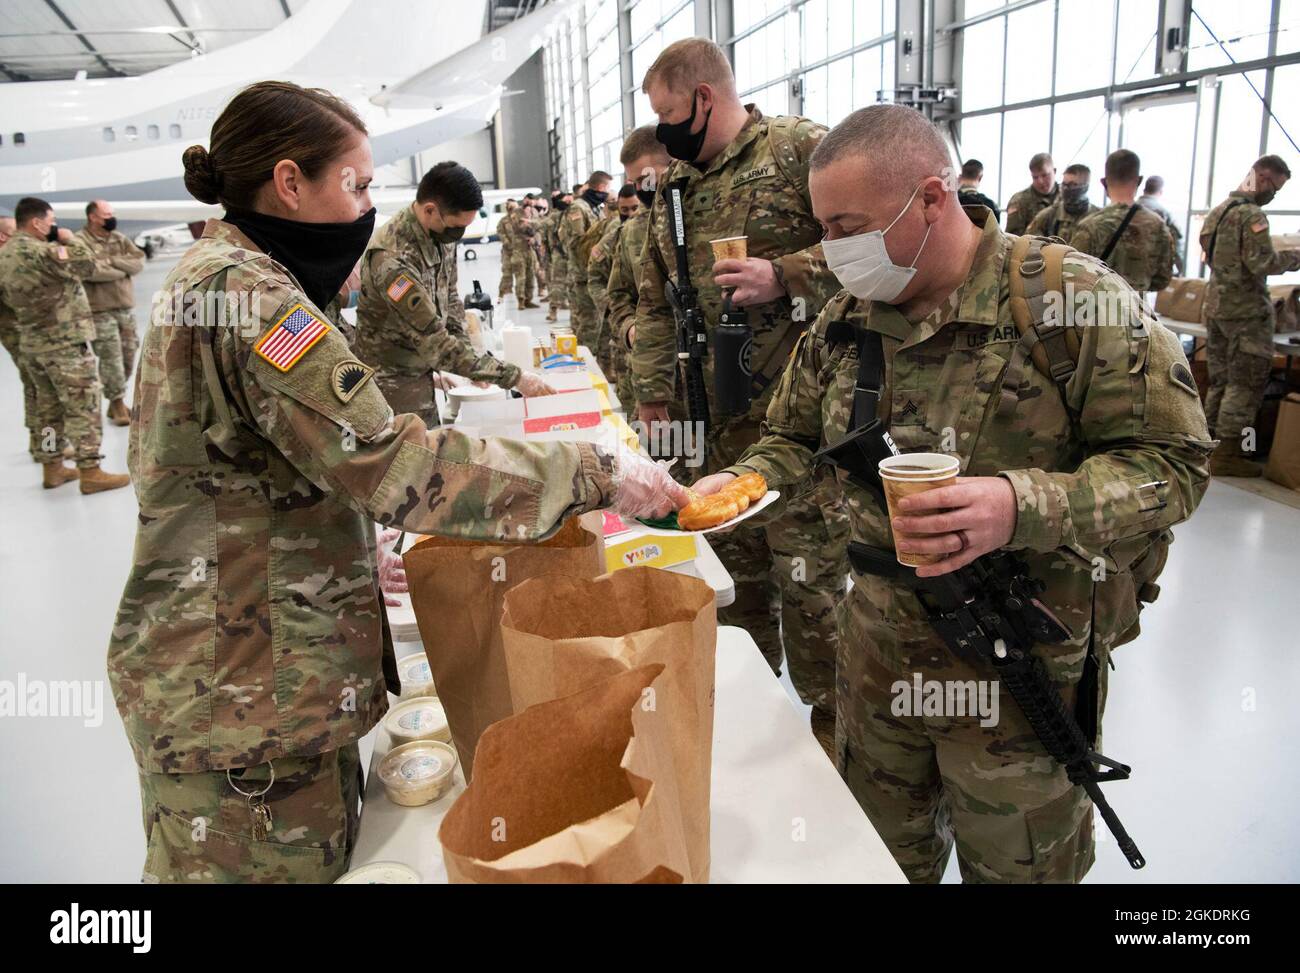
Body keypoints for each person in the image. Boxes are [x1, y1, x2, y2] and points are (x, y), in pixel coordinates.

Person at [111, 80, 687, 884]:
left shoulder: (216, 275)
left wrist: (336, 542)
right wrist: (598, 472)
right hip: (244, 705)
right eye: (354, 183)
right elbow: (400, 465)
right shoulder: (255, 299)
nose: (365, 205)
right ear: (288, 183)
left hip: (235, 668)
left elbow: (248, 471)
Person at [692, 105, 1212, 883]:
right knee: (874, 860)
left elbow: (1174, 463)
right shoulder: (846, 317)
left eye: (847, 226)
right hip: (874, 658)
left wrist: (1017, 504)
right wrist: (745, 479)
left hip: (1016, 668)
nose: (829, 249)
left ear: (933, 199)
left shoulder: (1067, 304)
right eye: (823, 227)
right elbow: (791, 434)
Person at [631, 38, 850, 754]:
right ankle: (753, 748)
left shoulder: (799, 152)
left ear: (703, 98)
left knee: (815, 602)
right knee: (733, 596)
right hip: (714, 427)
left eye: (667, 113)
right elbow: (658, 299)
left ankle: (842, 768)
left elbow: (879, 249)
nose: (662, 131)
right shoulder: (674, 189)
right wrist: (654, 392)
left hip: (804, 433)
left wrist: (784, 274)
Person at [355, 161, 554, 427]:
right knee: (408, 455)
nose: (458, 235)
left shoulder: (439, 235)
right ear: (430, 210)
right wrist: (515, 377)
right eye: (456, 228)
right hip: (391, 380)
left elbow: (449, 298)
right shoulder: (393, 259)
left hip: (421, 368)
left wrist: (471, 358)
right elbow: (434, 342)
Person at [0, 197, 131, 493]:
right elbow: (85, 264)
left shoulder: (5, 255)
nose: (54, 225)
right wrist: (70, 239)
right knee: (83, 408)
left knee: (48, 411)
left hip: (32, 345)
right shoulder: (43, 252)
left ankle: (53, 465)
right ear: (36, 223)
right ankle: (91, 470)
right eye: (51, 220)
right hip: (64, 345)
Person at [1200, 155, 1300, 476]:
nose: (1274, 194)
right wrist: (1295, 258)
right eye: (1276, 187)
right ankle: (1234, 453)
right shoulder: (1252, 215)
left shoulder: (1218, 212)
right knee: (1247, 387)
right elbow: (1262, 263)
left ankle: (1207, 446)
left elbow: (1208, 252)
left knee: (1220, 382)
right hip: (1247, 314)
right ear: (1264, 177)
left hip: (1216, 307)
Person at [608, 126, 673, 413]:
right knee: (661, 456)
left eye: (645, 178)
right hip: (657, 383)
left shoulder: (712, 216)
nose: (640, 189)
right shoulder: (633, 232)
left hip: (722, 381)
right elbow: (618, 295)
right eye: (634, 181)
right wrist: (629, 328)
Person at [77, 200, 145, 427]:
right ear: (93, 217)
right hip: (99, 310)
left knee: (128, 355)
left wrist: (112, 262)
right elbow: (90, 270)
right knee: (111, 358)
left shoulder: (119, 238)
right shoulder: (80, 241)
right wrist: (121, 270)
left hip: (125, 308)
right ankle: (117, 403)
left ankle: (116, 399)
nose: (111, 218)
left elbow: (137, 263)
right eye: (106, 214)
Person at [1071, 149, 1175, 295]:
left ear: (1104, 182)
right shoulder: (1158, 226)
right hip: (1136, 312)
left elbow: (1072, 279)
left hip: (1096, 314)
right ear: (1139, 181)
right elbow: (1163, 279)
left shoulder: (1089, 226)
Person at [0, 214, 45, 464]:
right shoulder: (6, 261)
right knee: (42, 392)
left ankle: (40, 444)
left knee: (35, 388)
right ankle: (45, 447)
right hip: (19, 333)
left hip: (22, 332)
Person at [587, 184, 640, 383]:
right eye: (624, 210)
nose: (631, 214)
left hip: (654, 321)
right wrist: (611, 305)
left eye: (635, 208)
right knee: (626, 386)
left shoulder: (657, 232)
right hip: (623, 321)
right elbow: (594, 279)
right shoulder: (610, 240)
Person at [560, 169, 613, 351]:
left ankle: (603, 366)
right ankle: (584, 365)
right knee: (589, 325)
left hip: (595, 273)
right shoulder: (578, 208)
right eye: (608, 188)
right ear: (601, 187)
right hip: (583, 274)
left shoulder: (593, 208)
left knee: (602, 324)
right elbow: (576, 242)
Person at [1024, 163, 1098, 244]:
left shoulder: (1096, 217)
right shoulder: (1049, 215)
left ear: (1085, 187)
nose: (1066, 188)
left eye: (1072, 184)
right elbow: (1029, 241)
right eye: (1064, 184)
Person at [1138, 175, 1185, 274]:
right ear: (1160, 192)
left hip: (1121, 273)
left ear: (1144, 190)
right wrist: (1180, 269)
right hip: (1151, 272)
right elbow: (1177, 242)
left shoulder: (1125, 210)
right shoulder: (1163, 213)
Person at [1004, 152, 1058, 236]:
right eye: (1035, 177)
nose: (1040, 181)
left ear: (1054, 171)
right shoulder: (1019, 200)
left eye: (1044, 175)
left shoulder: (1066, 198)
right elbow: (1013, 238)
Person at [542, 190, 572, 322]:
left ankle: (565, 303)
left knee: (572, 283)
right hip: (559, 253)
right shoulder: (555, 216)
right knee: (558, 283)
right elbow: (543, 225)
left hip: (572, 254)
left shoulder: (572, 213)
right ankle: (553, 310)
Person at [508, 195, 539, 309]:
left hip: (531, 249)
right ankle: (521, 300)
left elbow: (538, 227)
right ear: (525, 200)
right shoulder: (517, 212)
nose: (530, 202)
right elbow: (516, 228)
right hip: (519, 249)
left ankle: (528, 299)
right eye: (528, 199)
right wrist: (526, 223)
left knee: (531, 276)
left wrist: (534, 239)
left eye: (532, 200)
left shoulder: (534, 212)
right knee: (521, 277)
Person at [495, 199, 517, 301]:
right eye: (510, 207)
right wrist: (508, 243)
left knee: (523, 274)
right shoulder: (503, 221)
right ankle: (502, 294)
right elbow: (500, 233)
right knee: (507, 273)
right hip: (508, 251)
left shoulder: (521, 219)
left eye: (514, 207)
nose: (512, 209)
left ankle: (523, 298)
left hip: (520, 251)